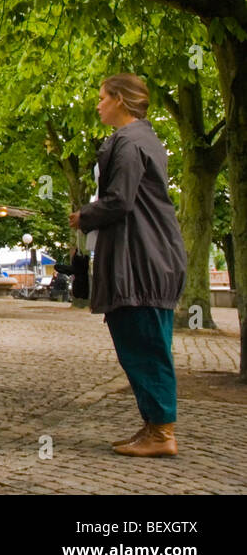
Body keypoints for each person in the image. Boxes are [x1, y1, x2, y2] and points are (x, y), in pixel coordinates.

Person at [69, 73, 187, 457]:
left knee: (145, 345)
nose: (99, 104)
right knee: (141, 343)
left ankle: (161, 431)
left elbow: (120, 200)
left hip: (143, 260)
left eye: (103, 97)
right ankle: (154, 426)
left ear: (119, 99)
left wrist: (84, 215)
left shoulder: (130, 142)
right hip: (146, 257)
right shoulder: (140, 139)